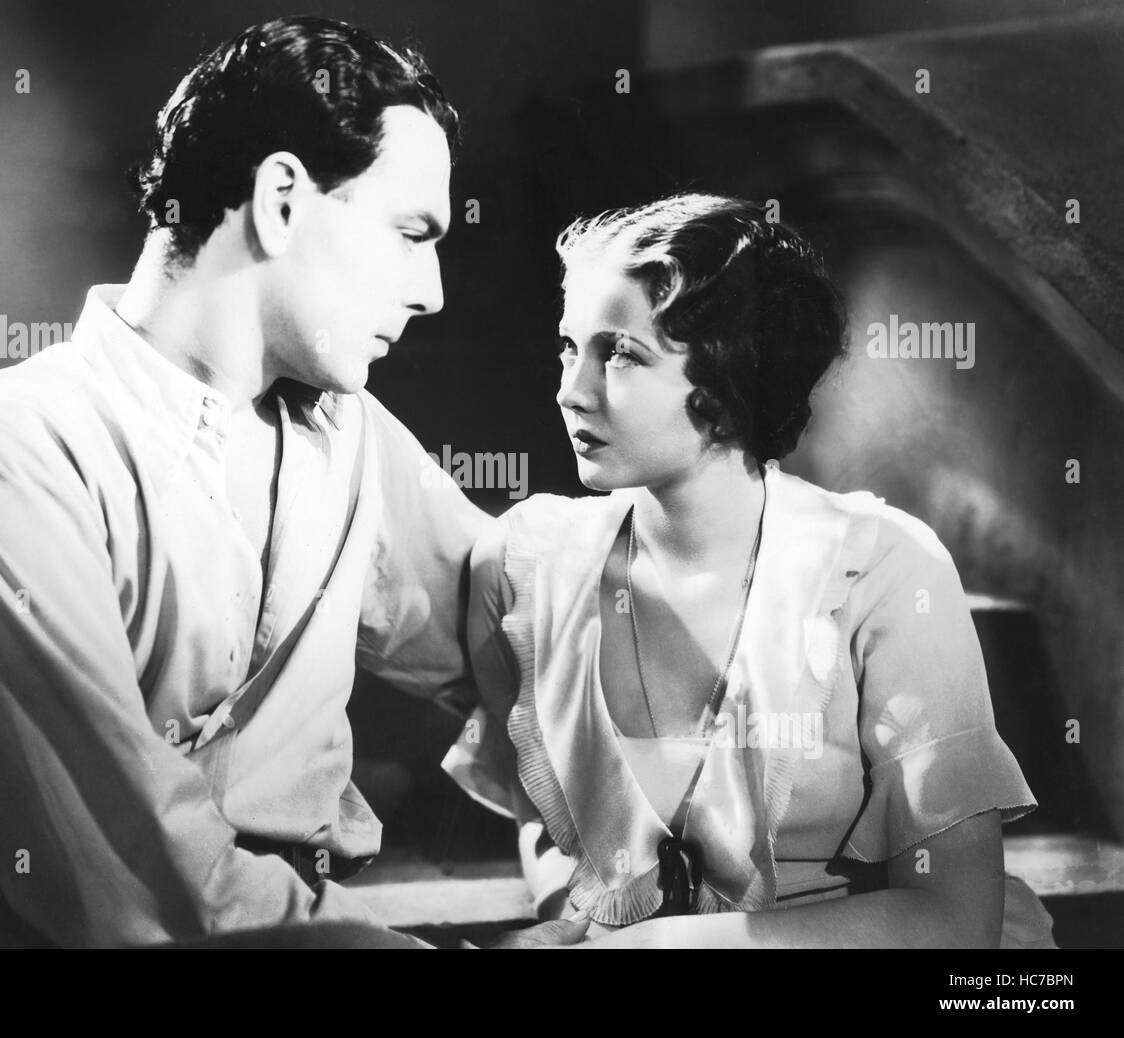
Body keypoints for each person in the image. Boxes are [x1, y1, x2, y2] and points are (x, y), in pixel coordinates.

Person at [0, 16, 581, 950]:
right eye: (409, 233)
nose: (433, 289)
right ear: (281, 198)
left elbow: (515, 633)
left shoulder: (345, 433)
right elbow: (135, 881)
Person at [442, 194, 1058, 948]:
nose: (572, 389)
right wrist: (566, 926)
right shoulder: (521, 568)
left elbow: (956, 921)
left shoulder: (882, 571)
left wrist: (649, 949)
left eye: (621, 354)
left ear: (728, 379)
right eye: (569, 349)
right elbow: (550, 823)